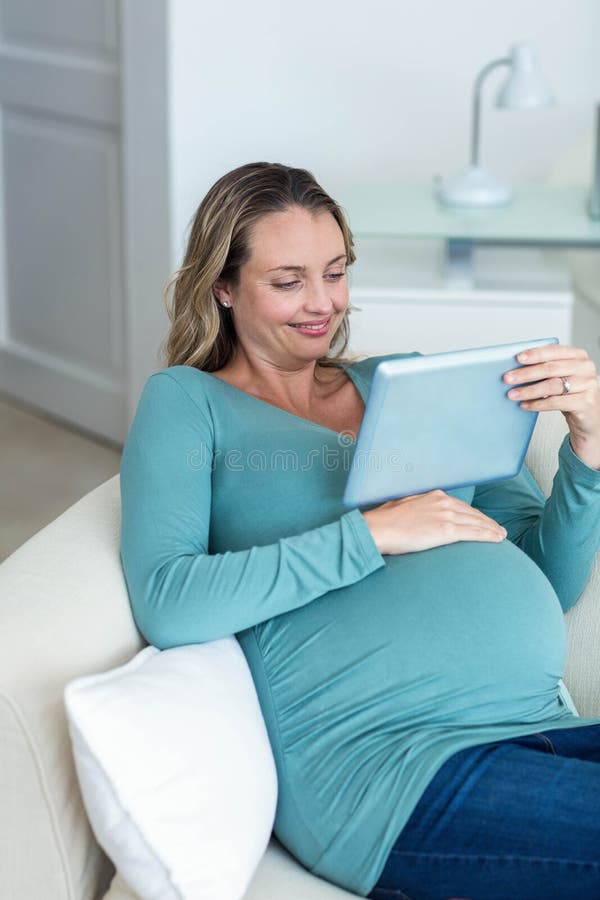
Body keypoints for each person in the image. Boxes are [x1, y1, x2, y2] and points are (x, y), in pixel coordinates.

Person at [119, 162, 600, 900]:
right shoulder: (189, 403)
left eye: (336, 273)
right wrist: (372, 534)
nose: (323, 305)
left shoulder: (412, 382)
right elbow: (169, 599)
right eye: (287, 282)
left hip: (535, 726)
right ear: (223, 286)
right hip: (395, 772)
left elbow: (551, 579)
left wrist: (589, 452)